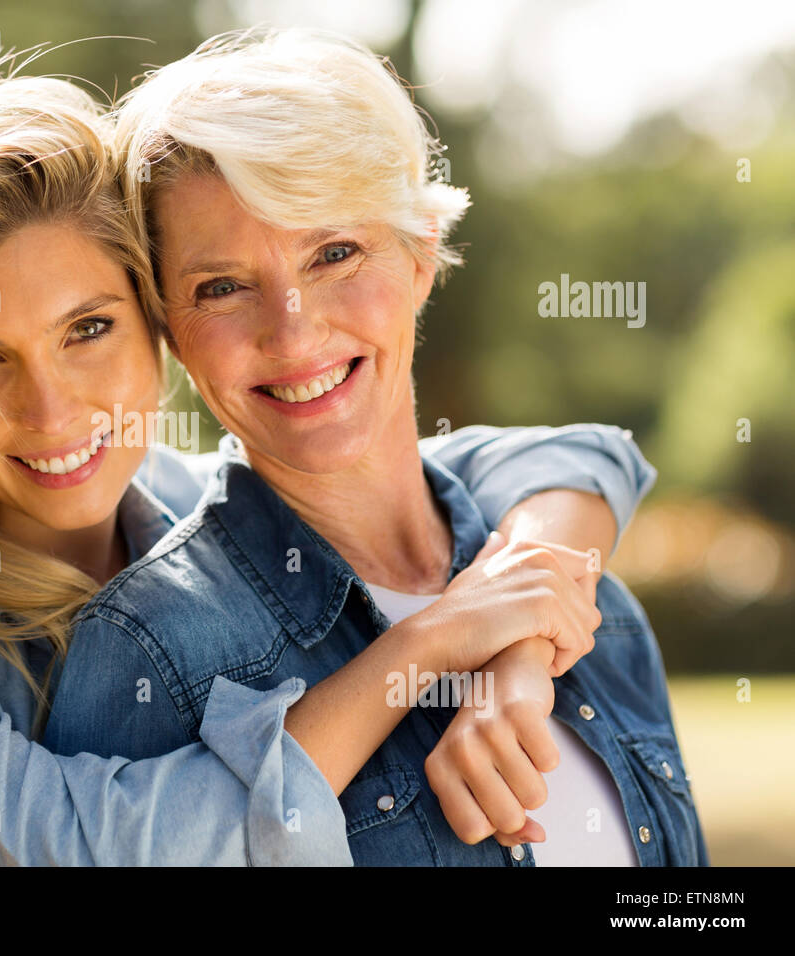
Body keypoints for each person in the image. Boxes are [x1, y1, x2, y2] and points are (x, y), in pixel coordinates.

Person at [0, 58, 658, 866]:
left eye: (87, 329)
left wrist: (523, 644)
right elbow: (79, 850)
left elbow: (555, 458)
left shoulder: (189, 505)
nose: (51, 409)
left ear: (152, 328)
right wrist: (426, 645)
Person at [43, 28, 708, 866]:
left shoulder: (588, 608)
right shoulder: (148, 648)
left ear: (422, 252)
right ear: (169, 328)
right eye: (222, 286)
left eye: (334, 253)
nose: (292, 332)